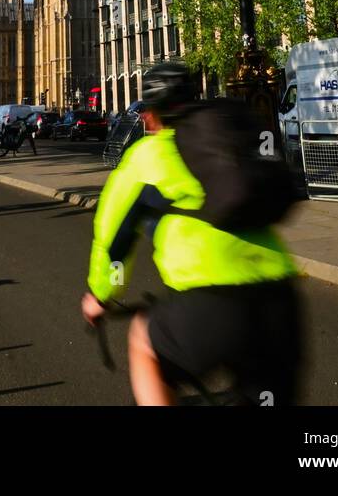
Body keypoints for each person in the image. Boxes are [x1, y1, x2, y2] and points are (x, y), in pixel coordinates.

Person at [81, 61, 302, 407]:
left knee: (143, 342)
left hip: (212, 303)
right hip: (281, 298)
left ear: (149, 115)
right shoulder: (225, 142)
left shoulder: (145, 156)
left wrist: (99, 294)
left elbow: (113, 237)